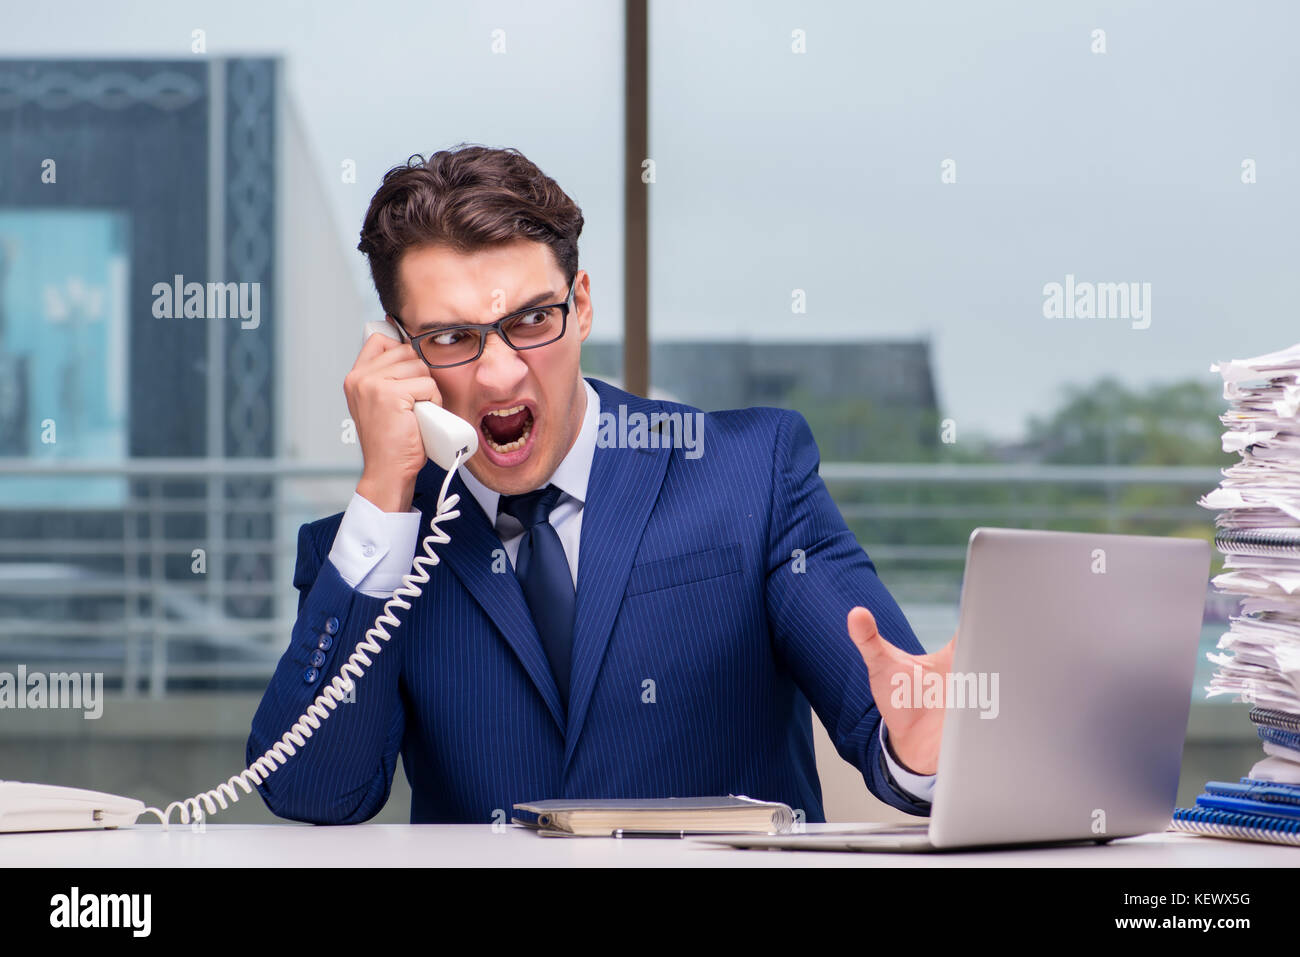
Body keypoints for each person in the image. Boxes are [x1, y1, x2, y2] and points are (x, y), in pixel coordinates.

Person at [247, 143, 955, 825]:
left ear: (581, 306)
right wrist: (381, 497)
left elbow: (892, 717)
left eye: (530, 319)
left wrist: (923, 747)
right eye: (452, 337)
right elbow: (313, 790)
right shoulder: (383, 541)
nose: (499, 374)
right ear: (399, 351)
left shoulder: (751, 472)